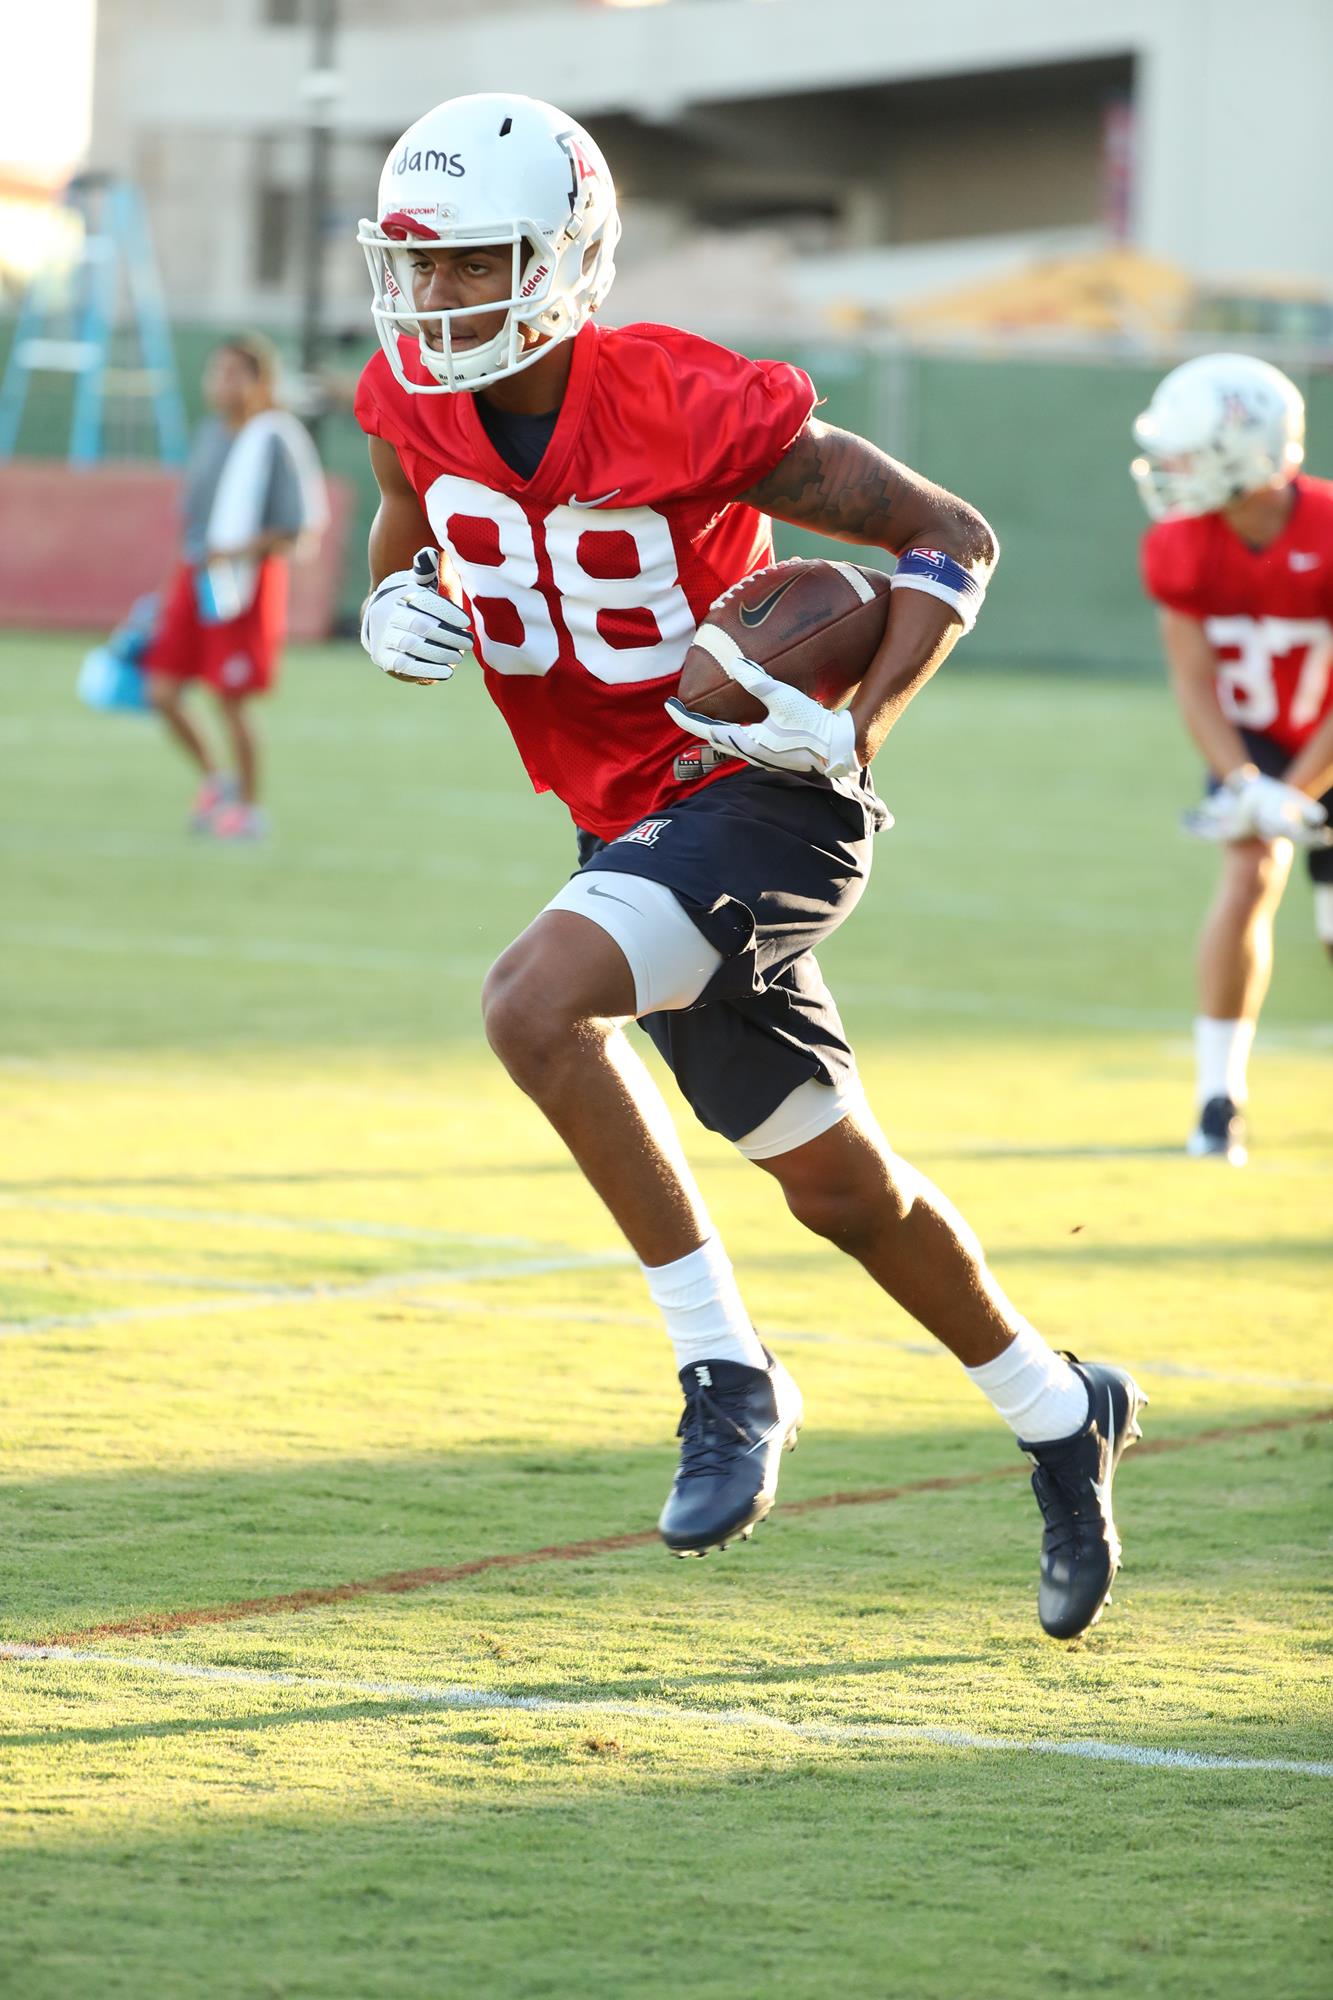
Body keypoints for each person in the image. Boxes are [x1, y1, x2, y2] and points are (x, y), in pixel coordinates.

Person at [354, 92, 1146, 1642]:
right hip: (627, 834)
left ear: (567, 257)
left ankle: (727, 1370)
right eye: (421, 265)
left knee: (532, 1005)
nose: (440, 297)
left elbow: (950, 539)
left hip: (767, 795)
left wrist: (850, 726)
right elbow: (405, 535)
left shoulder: (677, 397)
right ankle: (1062, 1412)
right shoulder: (404, 400)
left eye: (476, 262)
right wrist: (387, 606)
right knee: (840, 1188)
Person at [1133, 354, 1333, 1165]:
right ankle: (1218, 1101)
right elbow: (1193, 678)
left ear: (1242, 451)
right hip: (1252, 737)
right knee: (1248, 871)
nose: (1169, 470)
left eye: (1185, 452)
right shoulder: (1182, 545)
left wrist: (1299, 788)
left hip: (1321, 733)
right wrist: (1249, 784)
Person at [144, 334, 328, 839]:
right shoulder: (210, 433)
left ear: (259, 381)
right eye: (214, 372)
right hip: (195, 575)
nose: (219, 383)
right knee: (160, 689)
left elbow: (299, 528)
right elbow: (192, 517)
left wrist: (239, 551)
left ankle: (247, 809)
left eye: (232, 373)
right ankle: (216, 781)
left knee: (230, 698)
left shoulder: (276, 437)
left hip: (245, 582)